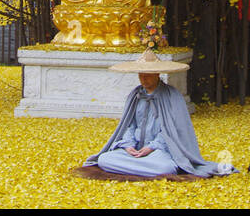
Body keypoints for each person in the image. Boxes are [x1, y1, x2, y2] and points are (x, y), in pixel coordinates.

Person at [85, 50, 236, 178]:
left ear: (157, 74)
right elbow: (128, 125)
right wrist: (128, 146)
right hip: (135, 149)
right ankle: (140, 167)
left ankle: (138, 167)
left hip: (159, 152)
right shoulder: (135, 95)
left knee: (166, 168)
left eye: (148, 74)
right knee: (105, 159)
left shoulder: (172, 96)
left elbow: (173, 130)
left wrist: (151, 147)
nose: (143, 78)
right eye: (141, 74)